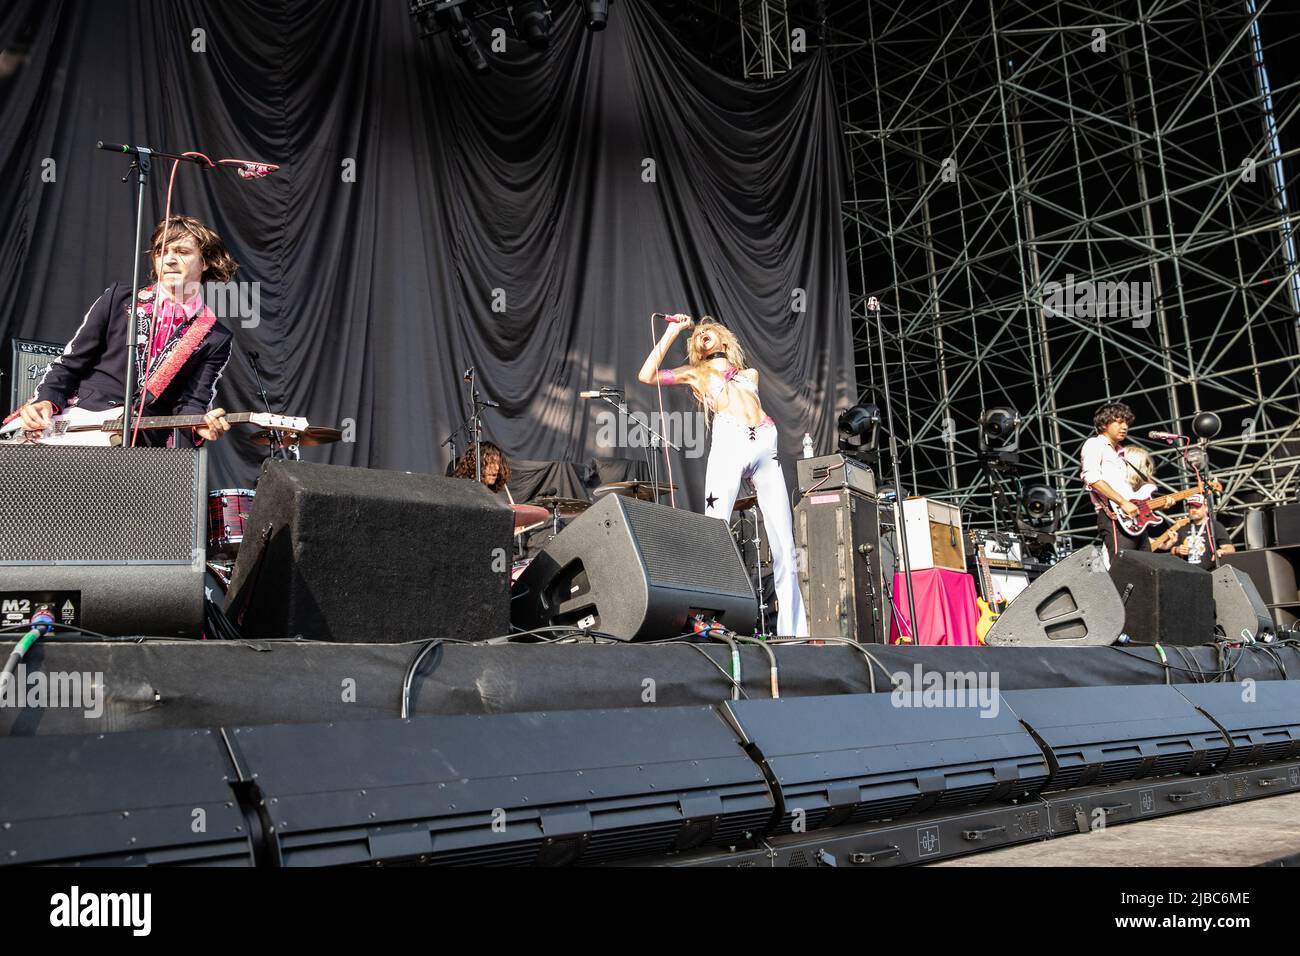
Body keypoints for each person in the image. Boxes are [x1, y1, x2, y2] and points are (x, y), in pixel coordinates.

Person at [638, 314, 808, 637]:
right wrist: (674, 331)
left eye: (708, 331)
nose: (701, 333)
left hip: (765, 443)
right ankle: (704, 618)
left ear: (723, 340)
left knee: (785, 546)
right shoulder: (697, 373)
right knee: (715, 531)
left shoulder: (749, 375)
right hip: (730, 441)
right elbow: (647, 375)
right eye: (698, 333)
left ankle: (795, 633)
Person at [17, 215, 233, 445]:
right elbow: (68, 364)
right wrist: (46, 401)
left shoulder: (214, 336)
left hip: (143, 441)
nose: (169, 259)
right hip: (80, 423)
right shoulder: (118, 300)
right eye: (160, 251)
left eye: (182, 251)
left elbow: (192, 402)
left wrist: (199, 425)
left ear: (205, 261)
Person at [1080, 401, 1149, 556]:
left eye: (1126, 423)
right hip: (1113, 516)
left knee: (1148, 567)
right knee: (1123, 568)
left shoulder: (1121, 454)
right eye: (1119, 422)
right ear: (1104, 424)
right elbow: (1092, 478)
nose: (1125, 427)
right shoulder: (1095, 444)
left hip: (1133, 518)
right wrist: (1123, 502)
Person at [1153, 494, 1234, 569]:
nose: (1193, 510)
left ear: (1205, 508)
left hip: (1211, 571)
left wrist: (1222, 551)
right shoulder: (1183, 527)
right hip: (1189, 573)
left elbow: (1230, 548)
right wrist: (1177, 550)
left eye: (1197, 507)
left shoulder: (1215, 526)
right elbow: (1172, 550)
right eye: (1191, 507)